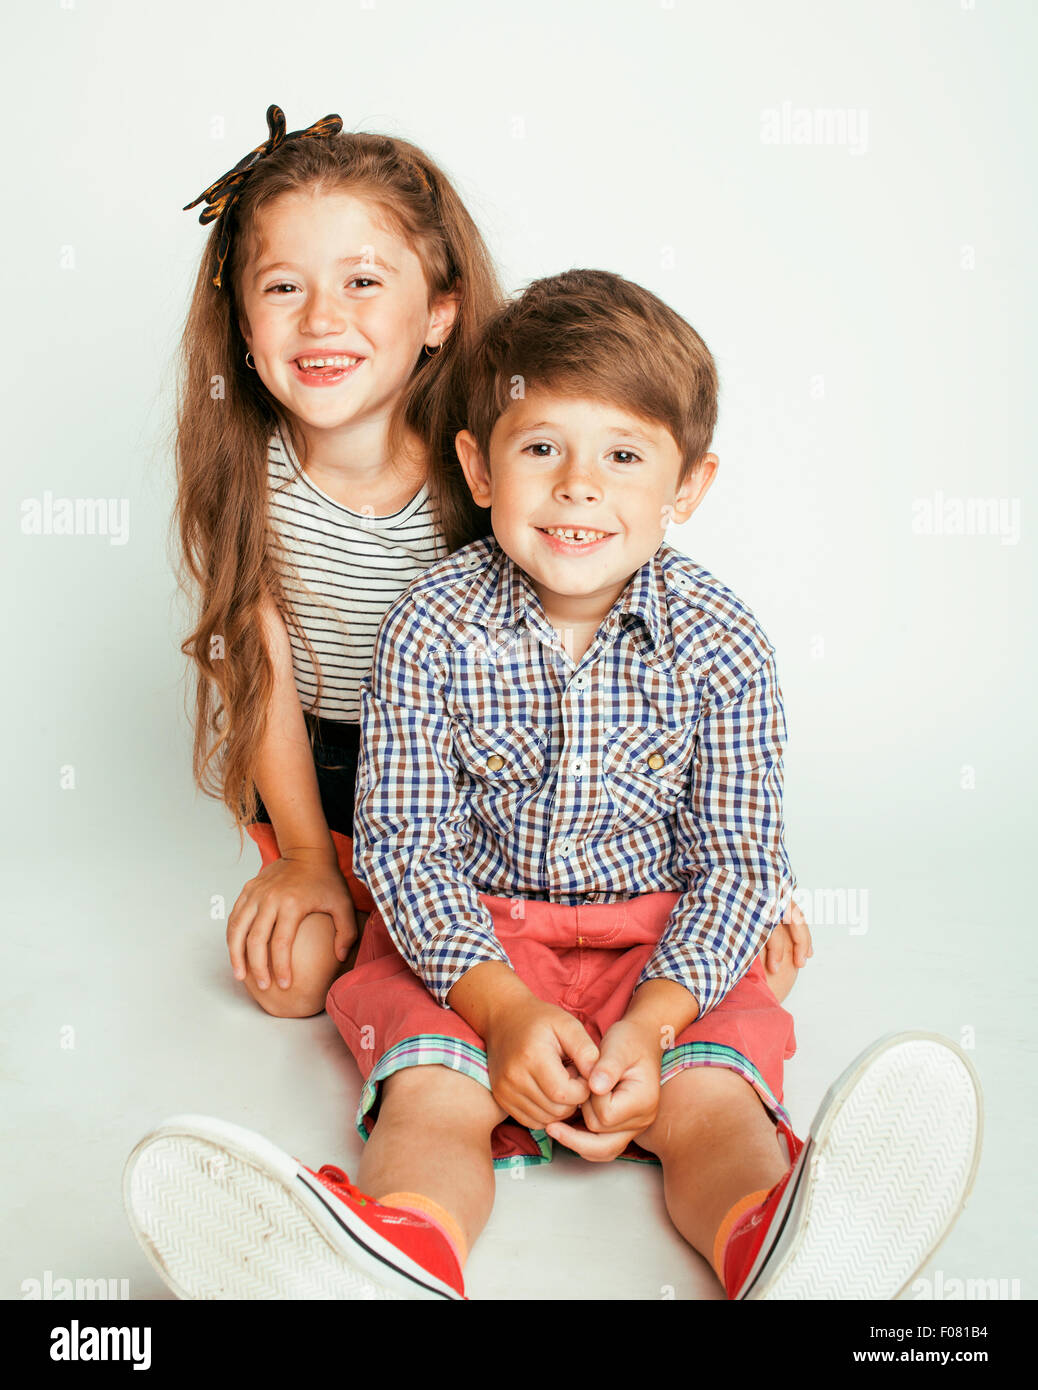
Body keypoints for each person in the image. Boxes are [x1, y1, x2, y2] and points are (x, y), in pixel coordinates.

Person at [126, 269, 979, 1301]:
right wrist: (499, 1010)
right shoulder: (431, 625)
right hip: (475, 939)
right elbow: (405, 847)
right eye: (543, 449)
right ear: (481, 469)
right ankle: (398, 1253)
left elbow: (741, 859)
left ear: (688, 487)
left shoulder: (722, 641)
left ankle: (780, 1243)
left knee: (710, 1100)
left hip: (658, 945)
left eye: (623, 455)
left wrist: (657, 1020)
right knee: (434, 1094)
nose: (579, 486)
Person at [172, 104, 503, 1017]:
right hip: (320, 770)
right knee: (294, 983)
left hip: (471, 763)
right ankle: (365, 909)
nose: (322, 318)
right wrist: (312, 860)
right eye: (282, 288)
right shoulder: (247, 475)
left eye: (362, 281)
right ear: (242, 326)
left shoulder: (481, 465)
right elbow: (262, 672)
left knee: (502, 951)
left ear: (439, 313)